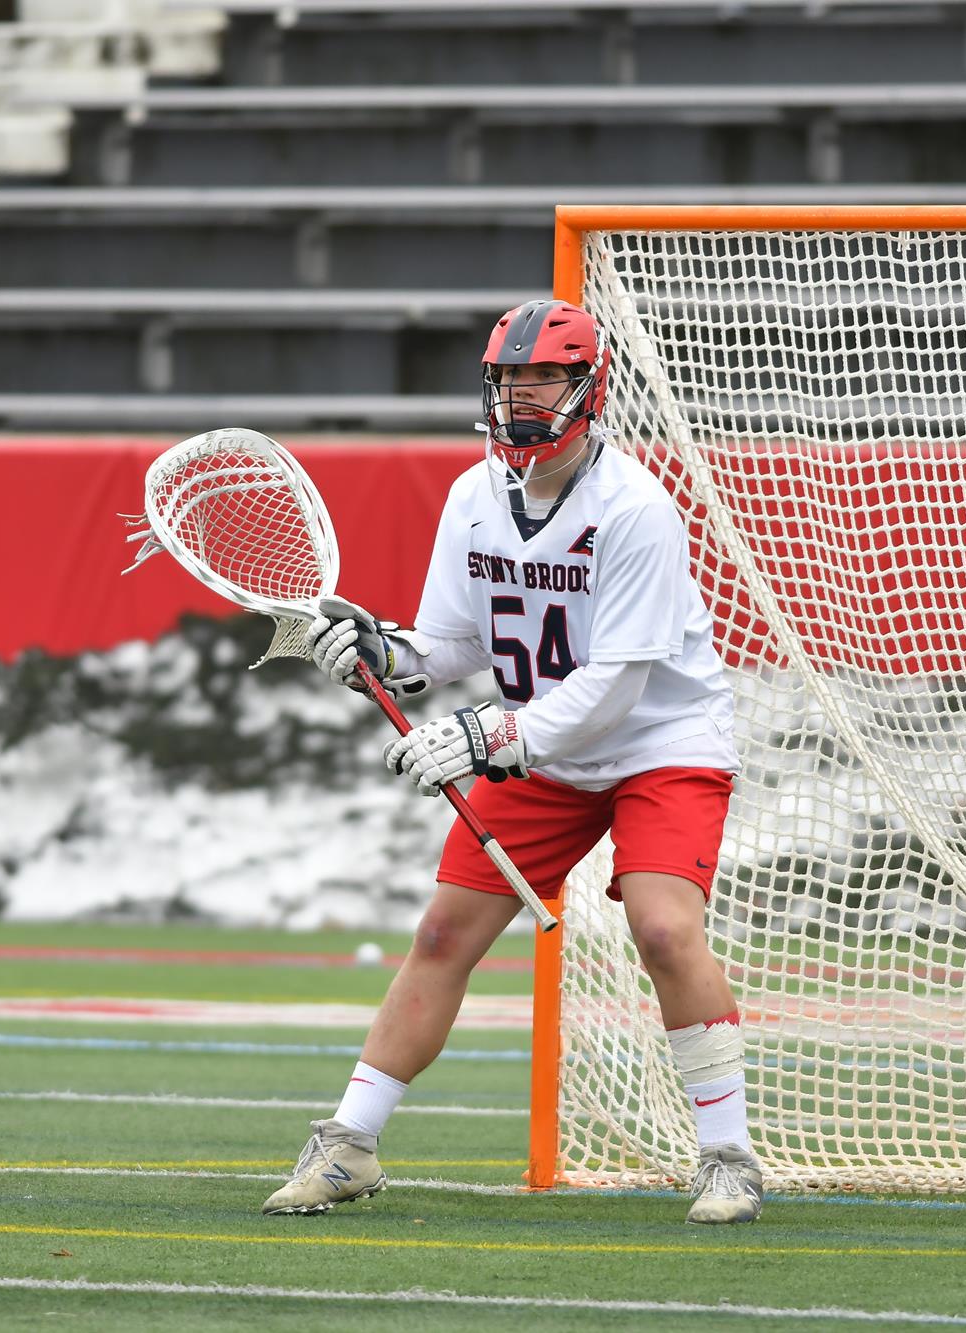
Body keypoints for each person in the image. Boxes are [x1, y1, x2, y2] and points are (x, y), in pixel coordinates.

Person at [262, 299, 760, 1225]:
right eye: (508, 381)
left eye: (542, 380)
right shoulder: (473, 495)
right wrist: (383, 653)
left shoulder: (636, 509)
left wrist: (491, 735)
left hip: (660, 740)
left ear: (586, 390)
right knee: (444, 934)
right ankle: (350, 1143)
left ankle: (727, 1154)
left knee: (662, 928)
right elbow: (449, 643)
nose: (523, 399)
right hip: (542, 741)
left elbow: (617, 682)